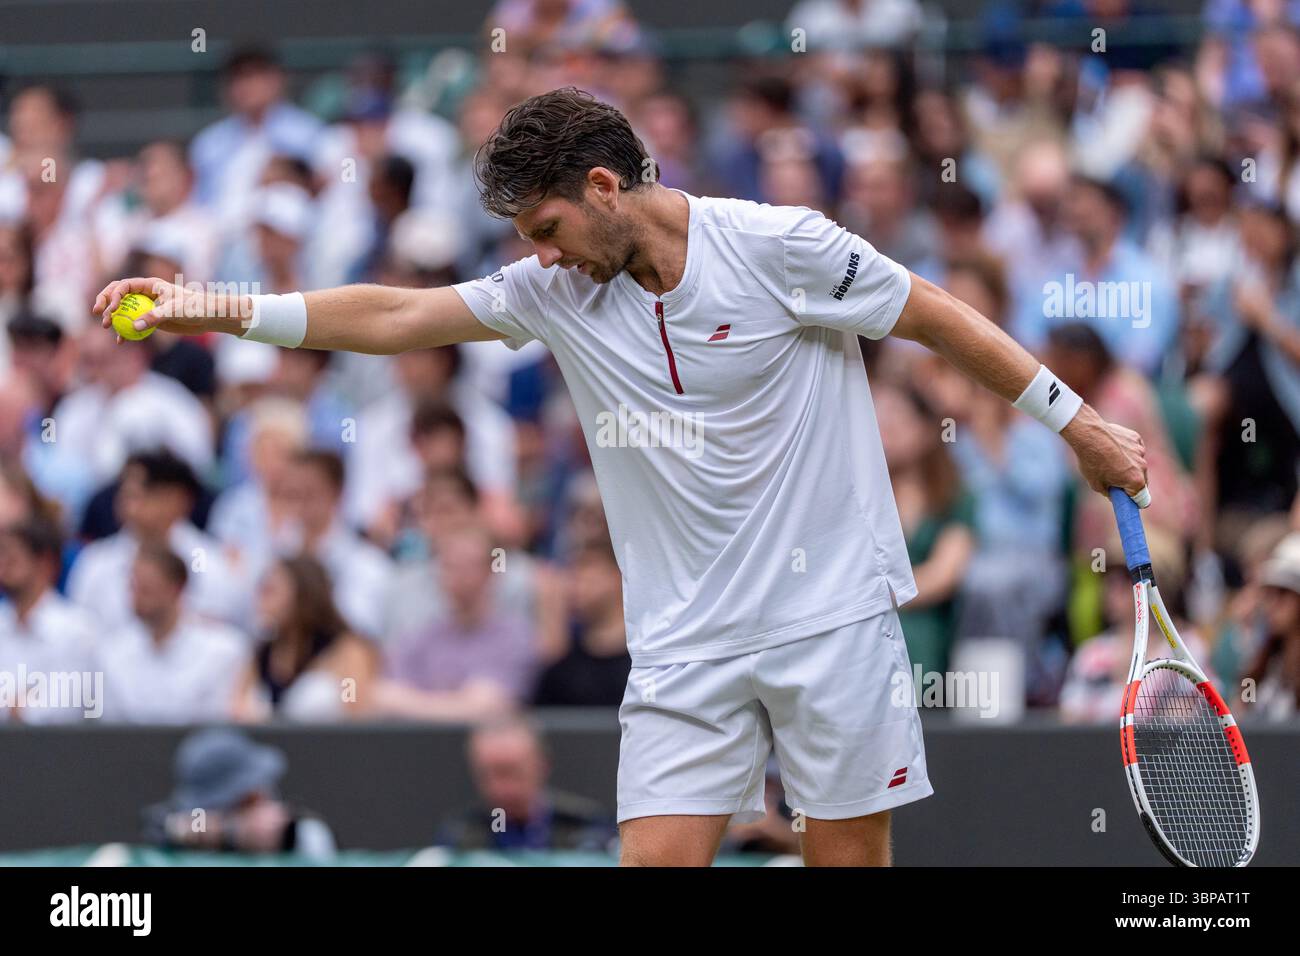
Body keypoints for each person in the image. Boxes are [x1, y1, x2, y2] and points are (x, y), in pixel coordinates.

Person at [94, 87, 1149, 867]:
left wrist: (1080, 423)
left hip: (830, 610)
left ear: (604, 188)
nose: (538, 256)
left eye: (546, 228)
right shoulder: (553, 289)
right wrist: (214, 305)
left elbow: (934, 315)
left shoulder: (783, 245)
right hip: (686, 637)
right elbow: (397, 314)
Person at [96, 545, 249, 724]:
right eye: (133, 587)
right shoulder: (111, 653)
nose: (136, 599)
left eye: (147, 589)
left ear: (176, 589)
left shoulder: (223, 651)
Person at [142, 727, 336, 860]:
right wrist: (224, 833)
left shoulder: (302, 833)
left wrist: (279, 842)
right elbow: (158, 826)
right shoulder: (189, 827)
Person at [434, 715, 615, 853]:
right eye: (489, 775)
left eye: (512, 772)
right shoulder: (461, 834)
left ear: (542, 765)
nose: (501, 788)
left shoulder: (585, 826)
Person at [233, 553, 376, 722]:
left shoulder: (347, 650)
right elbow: (237, 708)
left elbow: (355, 708)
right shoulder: (261, 654)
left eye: (270, 590)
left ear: (303, 594)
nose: (261, 599)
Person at [0, 516, 96, 723]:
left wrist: (19, 709)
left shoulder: (78, 629)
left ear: (45, 563)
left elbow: (69, 705)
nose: (2, 567)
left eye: (12, 558)